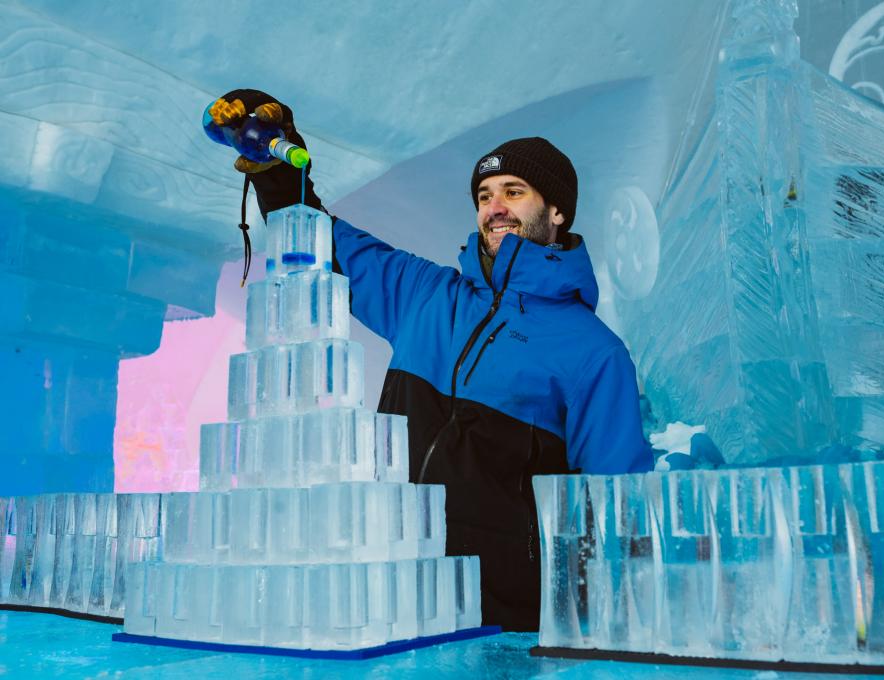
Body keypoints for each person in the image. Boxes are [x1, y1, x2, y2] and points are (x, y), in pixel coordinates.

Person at [208, 90, 653, 631]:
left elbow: (616, 514)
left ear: (557, 210)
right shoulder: (427, 295)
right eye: (485, 195)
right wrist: (275, 168)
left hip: (506, 626)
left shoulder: (595, 353)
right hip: (391, 599)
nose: (495, 207)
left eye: (515, 191)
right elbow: (327, 245)